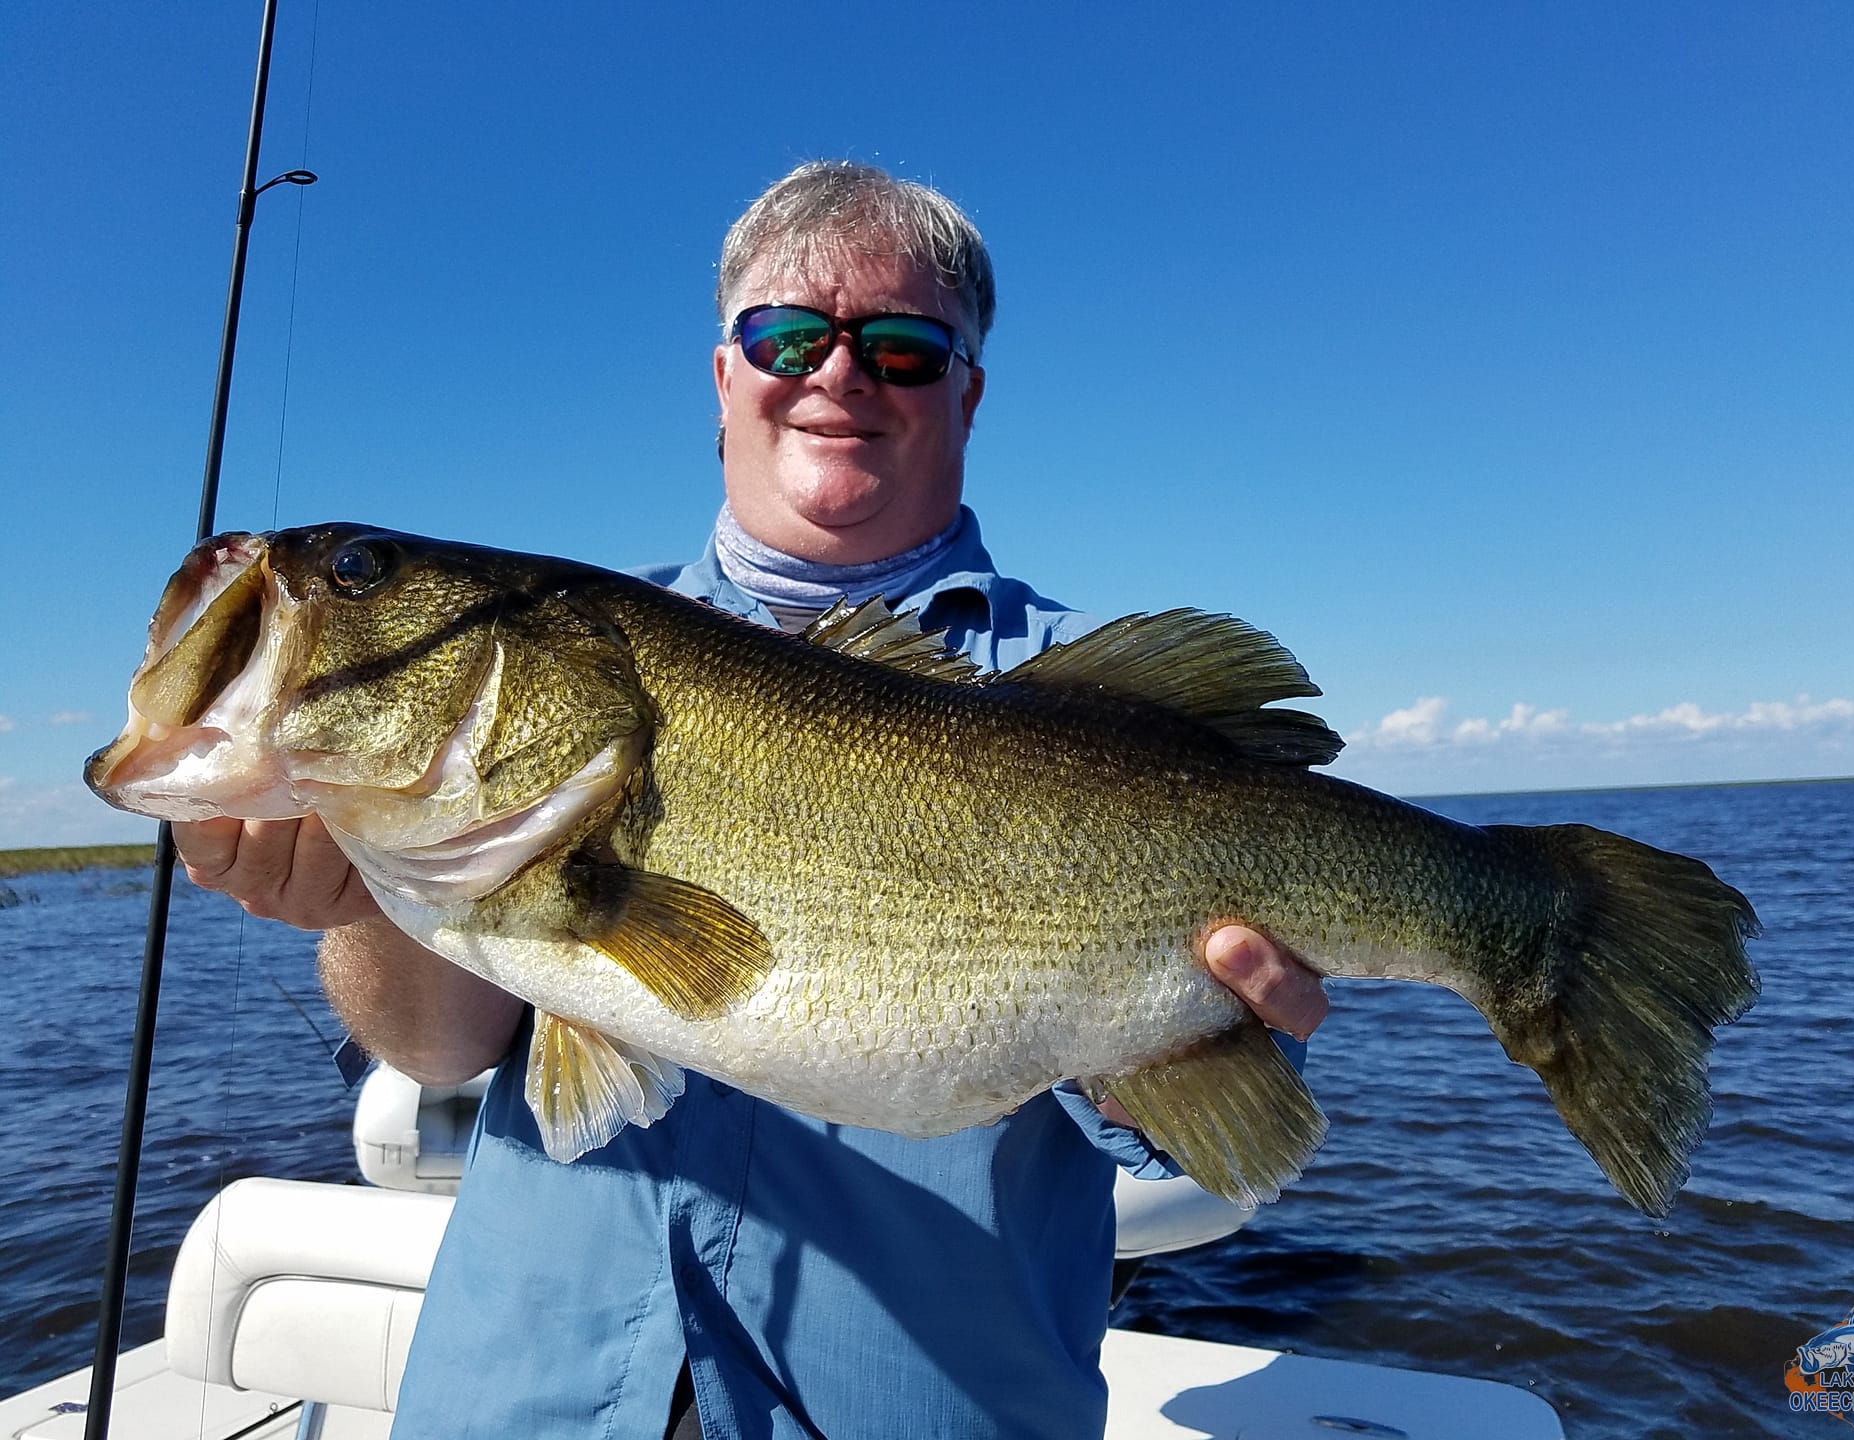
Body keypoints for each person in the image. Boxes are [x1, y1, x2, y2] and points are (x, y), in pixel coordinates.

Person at [173, 162, 1329, 1440]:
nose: (837, 375)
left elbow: (1198, 1143)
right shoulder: (564, 663)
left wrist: (1169, 1057)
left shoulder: (1094, 712)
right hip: (524, 1402)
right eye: (786, 336)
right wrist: (368, 885)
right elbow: (440, 1052)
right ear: (725, 379)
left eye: (901, 348)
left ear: (969, 393)